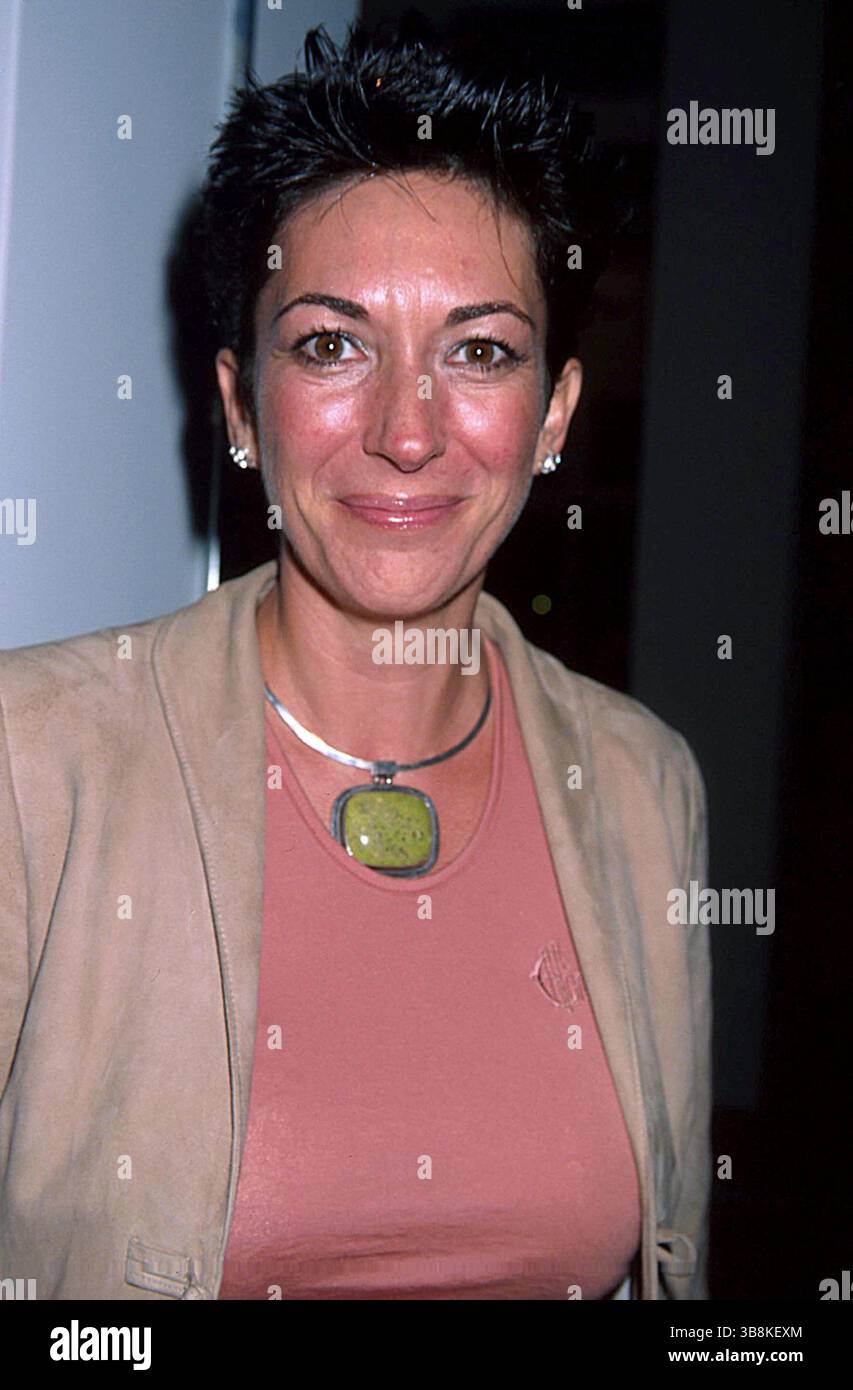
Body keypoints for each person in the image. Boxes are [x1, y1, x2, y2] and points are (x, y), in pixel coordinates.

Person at [0, 18, 711, 1301]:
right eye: (332, 343)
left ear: (551, 414)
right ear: (235, 402)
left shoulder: (645, 787)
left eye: (479, 351)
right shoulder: (29, 764)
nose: (405, 431)